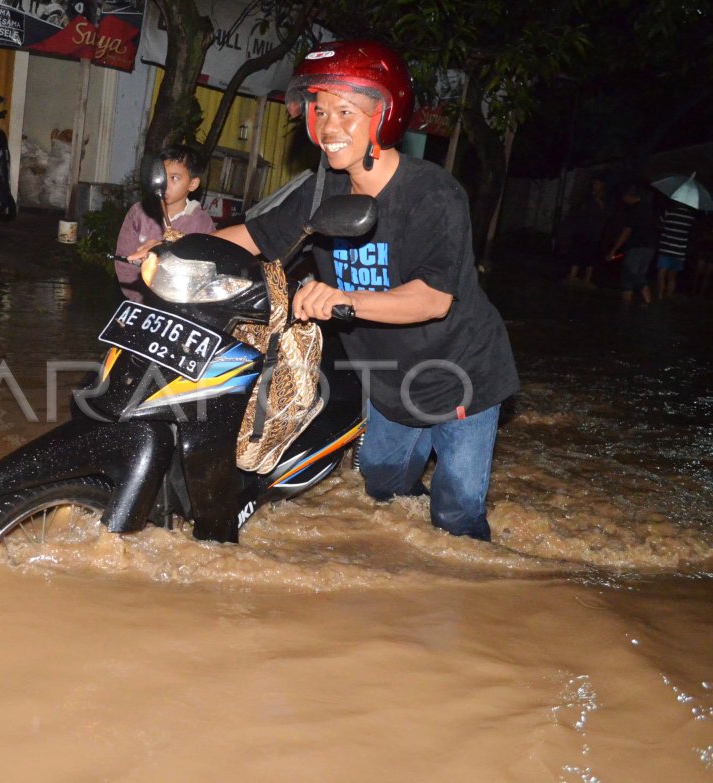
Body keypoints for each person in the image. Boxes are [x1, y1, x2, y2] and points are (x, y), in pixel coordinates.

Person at [137, 40, 518, 542]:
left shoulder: (435, 196)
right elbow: (254, 237)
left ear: (385, 115)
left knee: (456, 518)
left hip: (459, 373)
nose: (330, 126)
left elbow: (433, 298)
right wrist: (176, 249)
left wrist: (343, 300)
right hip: (386, 377)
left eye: (345, 111)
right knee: (382, 488)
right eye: (320, 110)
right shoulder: (320, 191)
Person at [114, 144, 215, 301]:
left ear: (193, 184)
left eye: (174, 178)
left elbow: (206, 270)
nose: (165, 185)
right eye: (161, 177)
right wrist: (142, 300)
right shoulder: (139, 213)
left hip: (182, 306)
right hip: (141, 303)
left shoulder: (202, 223)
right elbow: (124, 262)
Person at [606, 182, 656, 305]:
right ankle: (632, 307)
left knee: (632, 275)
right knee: (633, 276)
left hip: (636, 247)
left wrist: (613, 250)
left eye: (624, 196)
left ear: (630, 196)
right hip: (650, 248)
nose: (623, 199)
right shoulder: (648, 208)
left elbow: (627, 231)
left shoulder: (635, 210)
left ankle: (646, 302)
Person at [561, 177, 610, 287]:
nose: (595, 186)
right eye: (594, 184)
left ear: (602, 186)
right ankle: (572, 276)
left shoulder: (605, 199)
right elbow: (577, 211)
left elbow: (607, 215)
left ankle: (587, 280)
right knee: (576, 254)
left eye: (597, 184)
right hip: (581, 231)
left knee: (590, 257)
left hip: (594, 234)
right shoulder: (586, 197)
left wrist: (600, 203)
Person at [654, 200, 698, 300]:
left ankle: (660, 297)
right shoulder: (691, 217)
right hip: (679, 251)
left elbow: (659, 225)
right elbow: (691, 233)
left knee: (661, 273)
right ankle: (668, 297)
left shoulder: (669, 212)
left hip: (666, 248)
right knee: (672, 277)